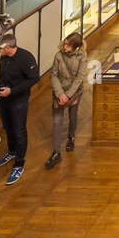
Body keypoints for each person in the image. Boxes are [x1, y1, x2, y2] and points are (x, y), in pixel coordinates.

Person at [0, 34, 39, 184]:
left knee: (19, 131)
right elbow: (2, 77)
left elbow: (34, 79)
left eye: (0, 48)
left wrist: (12, 91)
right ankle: (11, 151)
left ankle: (19, 163)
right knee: (7, 128)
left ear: (8, 48)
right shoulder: (3, 57)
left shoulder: (26, 58)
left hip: (18, 101)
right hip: (4, 100)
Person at [45, 32, 87, 170]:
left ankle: (71, 138)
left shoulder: (82, 56)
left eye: (68, 45)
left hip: (74, 92)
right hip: (59, 92)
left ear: (76, 47)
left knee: (72, 116)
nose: (64, 46)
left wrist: (68, 95)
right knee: (57, 121)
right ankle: (56, 152)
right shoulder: (58, 55)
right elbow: (54, 75)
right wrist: (60, 93)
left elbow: (79, 78)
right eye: (65, 43)